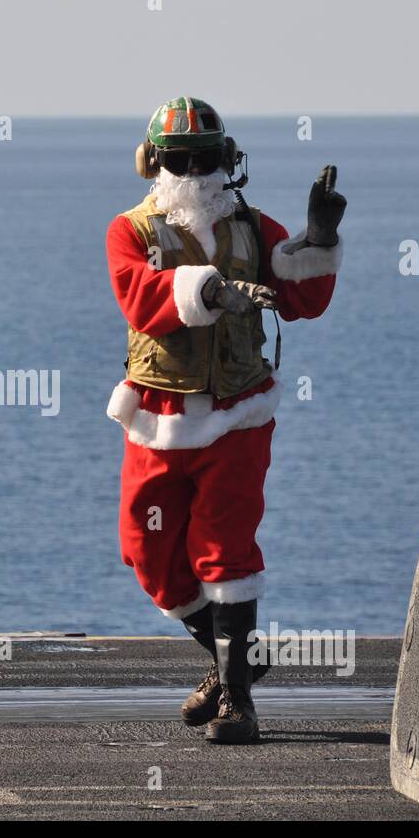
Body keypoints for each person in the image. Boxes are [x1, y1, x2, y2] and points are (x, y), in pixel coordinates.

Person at [105, 96, 346, 743]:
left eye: (204, 159)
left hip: (240, 414)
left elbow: (300, 295)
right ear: (154, 163)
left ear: (226, 160)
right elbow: (138, 295)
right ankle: (230, 657)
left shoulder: (252, 227)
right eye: (179, 159)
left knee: (224, 546)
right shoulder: (130, 230)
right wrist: (212, 289)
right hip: (157, 416)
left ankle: (237, 700)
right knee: (146, 550)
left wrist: (318, 239)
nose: (192, 170)